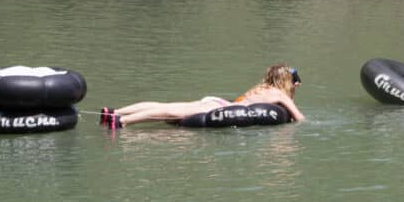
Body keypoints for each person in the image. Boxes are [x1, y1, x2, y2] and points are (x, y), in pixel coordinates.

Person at [102, 64, 305, 128]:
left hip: (216, 102)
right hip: (217, 108)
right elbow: (300, 119)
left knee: (167, 105)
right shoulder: (280, 94)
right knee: (170, 111)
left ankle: (115, 112)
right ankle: (123, 121)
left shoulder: (259, 89)